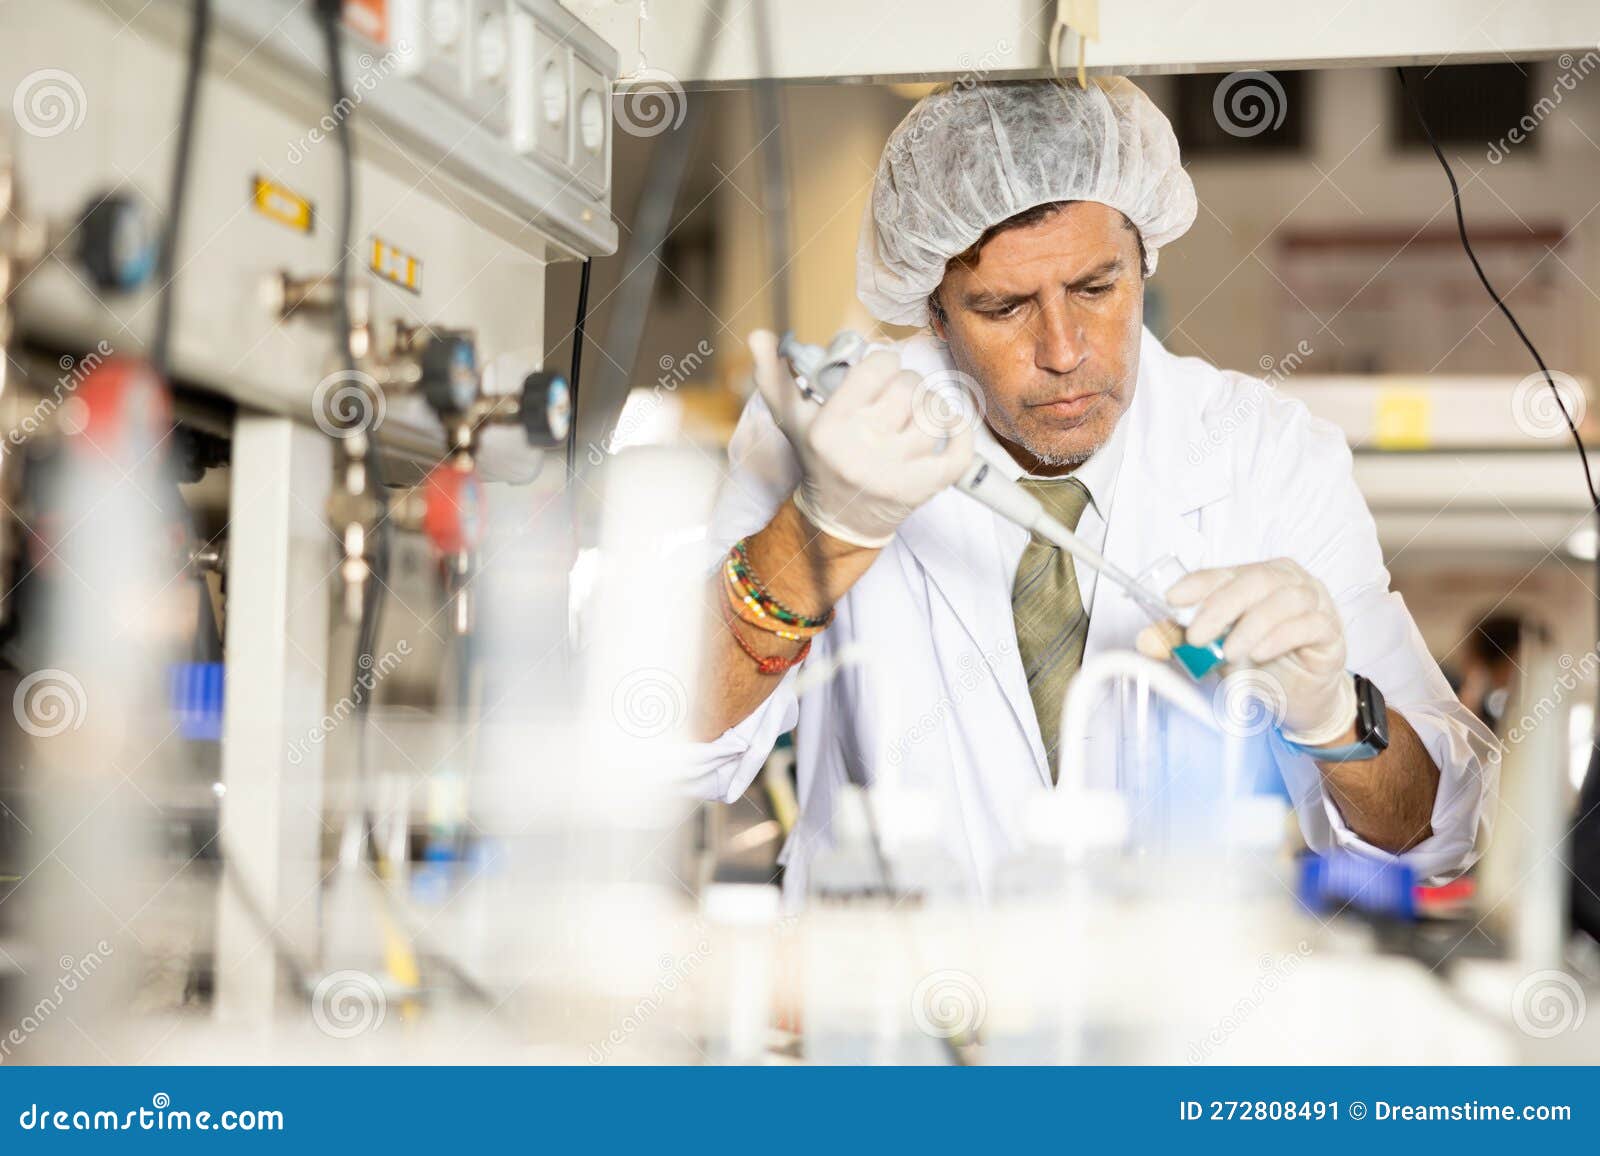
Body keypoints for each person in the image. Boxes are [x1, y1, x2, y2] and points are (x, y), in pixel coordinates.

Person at [682, 78, 1497, 899]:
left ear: (1145, 261)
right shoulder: (838, 427)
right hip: (889, 1009)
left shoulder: (1266, 456)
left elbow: (1440, 838)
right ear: (932, 313)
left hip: (1181, 1015)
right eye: (1004, 307)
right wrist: (823, 531)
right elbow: (671, 755)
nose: (1065, 349)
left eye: (1097, 290)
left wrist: (1333, 721)